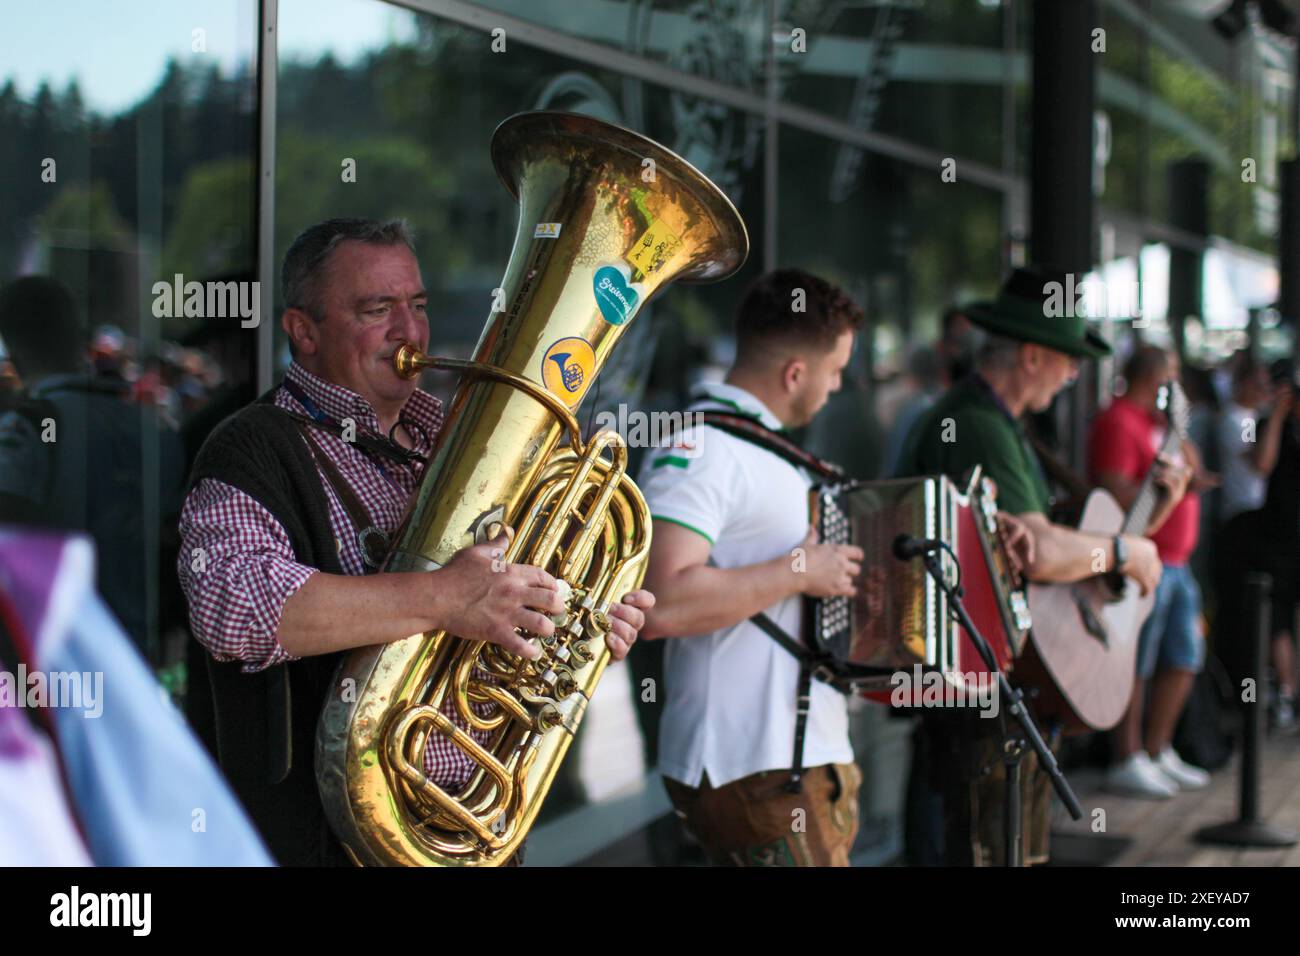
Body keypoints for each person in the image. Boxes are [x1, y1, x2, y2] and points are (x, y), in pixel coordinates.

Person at [177, 218, 653, 865]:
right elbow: (235, 611)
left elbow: (511, 610)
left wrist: (579, 624)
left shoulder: (455, 443)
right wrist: (442, 596)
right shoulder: (251, 447)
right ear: (303, 331)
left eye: (418, 306)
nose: (411, 332)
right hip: (328, 845)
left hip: (472, 833)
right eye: (378, 310)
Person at [895, 266, 1163, 866]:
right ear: (1034, 355)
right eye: (1068, 359)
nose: (1073, 375)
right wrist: (1125, 552)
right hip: (978, 691)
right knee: (991, 849)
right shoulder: (977, 425)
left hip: (991, 686)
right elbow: (1039, 552)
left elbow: (1045, 545)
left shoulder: (991, 422)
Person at [638, 268, 866, 866]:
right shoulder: (702, 446)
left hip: (786, 760)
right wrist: (799, 570)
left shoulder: (763, 449)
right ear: (795, 373)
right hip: (754, 765)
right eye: (835, 370)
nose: (837, 386)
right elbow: (658, 601)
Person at [0, 275, 186, 664]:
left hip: (55, 654)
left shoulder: (26, 430)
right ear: (78, 339)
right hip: (141, 653)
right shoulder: (154, 431)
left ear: (13, 351)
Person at [1089, 345, 1208, 798]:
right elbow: (1115, 491)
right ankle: (1128, 754)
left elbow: (1192, 469)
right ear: (1155, 376)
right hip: (1140, 560)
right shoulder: (1118, 420)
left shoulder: (1158, 426)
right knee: (1137, 661)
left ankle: (1158, 749)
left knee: (1182, 656)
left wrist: (1178, 430)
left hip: (1177, 560)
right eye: (1172, 376)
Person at [1217, 356, 1282, 525]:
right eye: (1258, 385)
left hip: (1254, 505)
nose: (1264, 391)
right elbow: (1261, 463)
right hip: (1242, 508)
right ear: (1243, 384)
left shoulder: (1251, 416)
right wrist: (1277, 415)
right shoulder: (1238, 418)